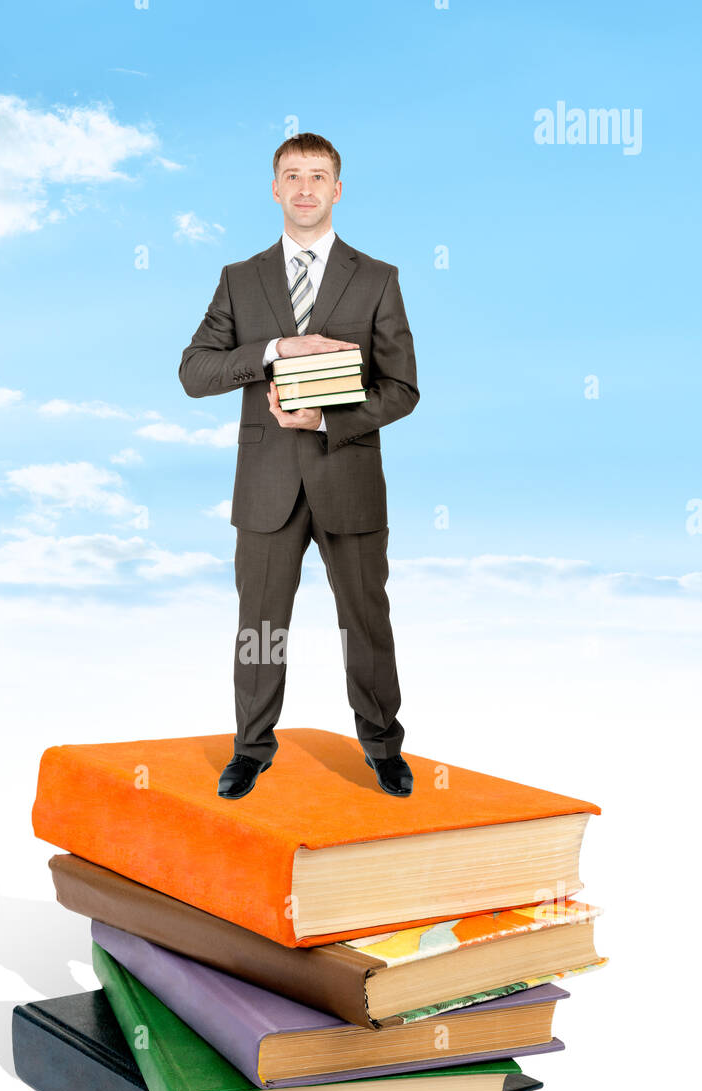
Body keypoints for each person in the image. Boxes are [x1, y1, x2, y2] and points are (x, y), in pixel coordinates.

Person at [179, 133, 419, 799]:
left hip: (349, 476)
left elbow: (403, 389)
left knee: (366, 620)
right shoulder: (239, 279)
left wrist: (328, 420)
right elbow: (193, 372)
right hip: (266, 486)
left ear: (338, 189)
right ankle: (251, 750)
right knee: (260, 626)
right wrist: (275, 348)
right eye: (293, 176)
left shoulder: (378, 279)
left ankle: (383, 748)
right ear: (276, 189)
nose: (306, 187)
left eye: (319, 176)